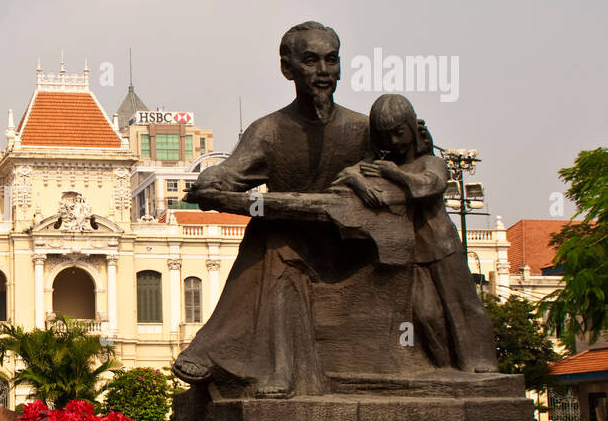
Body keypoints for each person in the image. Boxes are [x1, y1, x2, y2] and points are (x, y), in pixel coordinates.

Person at [173, 21, 371, 397]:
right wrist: (214, 179)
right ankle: (264, 365)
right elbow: (231, 173)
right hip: (294, 242)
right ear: (287, 68)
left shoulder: (362, 130)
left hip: (353, 246)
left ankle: (222, 352)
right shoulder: (271, 130)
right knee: (272, 235)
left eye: (332, 60)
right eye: (311, 61)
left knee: (276, 238)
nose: (324, 71)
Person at [341, 94, 498, 372]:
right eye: (386, 136)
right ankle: (443, 366)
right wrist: (361, 179)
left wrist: (394, 175)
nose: (394, 142)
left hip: (441, 246)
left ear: (413, 128)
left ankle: (481, 363)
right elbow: (348, 175)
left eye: (399, 133)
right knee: (424, 312)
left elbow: (430, 186)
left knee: (463, 305)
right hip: (410, 251)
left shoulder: (430, 163)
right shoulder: (385, 167)